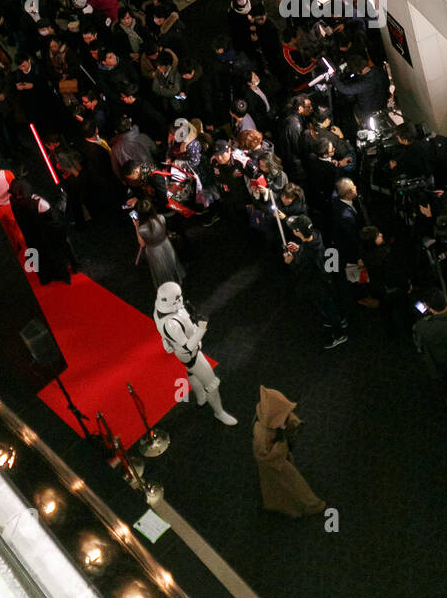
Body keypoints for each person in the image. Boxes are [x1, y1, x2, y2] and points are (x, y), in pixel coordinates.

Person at [153, 282, 237, 425]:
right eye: (178, 298)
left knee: (191, 371)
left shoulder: (160, 312)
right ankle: (219, 412)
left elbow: (166, 331)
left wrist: (168, 341)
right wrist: (201, 329)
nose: (180, 301)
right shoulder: (170, 323)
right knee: (212, 383)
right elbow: (187, 347)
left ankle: (200, 397)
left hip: (183, 352)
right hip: (189, 353)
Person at [252, 387, 325, 517]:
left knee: (276, 485)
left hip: (277, 460)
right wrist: (281, 446)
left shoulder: (267, 415)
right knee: (293, 482)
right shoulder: (261, 433)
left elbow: (286, 415)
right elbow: (263, 456)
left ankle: (279, 503)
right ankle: (312, 504)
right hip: (275, 463)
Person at [283, 214, 348, 349]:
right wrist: (300, 249)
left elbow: (300, 270)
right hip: (326, 279)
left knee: (327, 308)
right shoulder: (316, 236)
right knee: (331, 304)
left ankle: (339, 334)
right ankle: (340, 320)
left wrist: (290, 261)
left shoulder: (307, 253)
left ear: (298, 232)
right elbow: (310, 252)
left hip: (317, 285)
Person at [135, 199, 185, 288]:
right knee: (170, 263)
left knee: (161, 270)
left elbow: (142, 244)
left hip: (154, 251)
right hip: (166, 244)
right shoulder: (161, 218)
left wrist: (136, 226)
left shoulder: (142, 229)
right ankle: (177, 282)